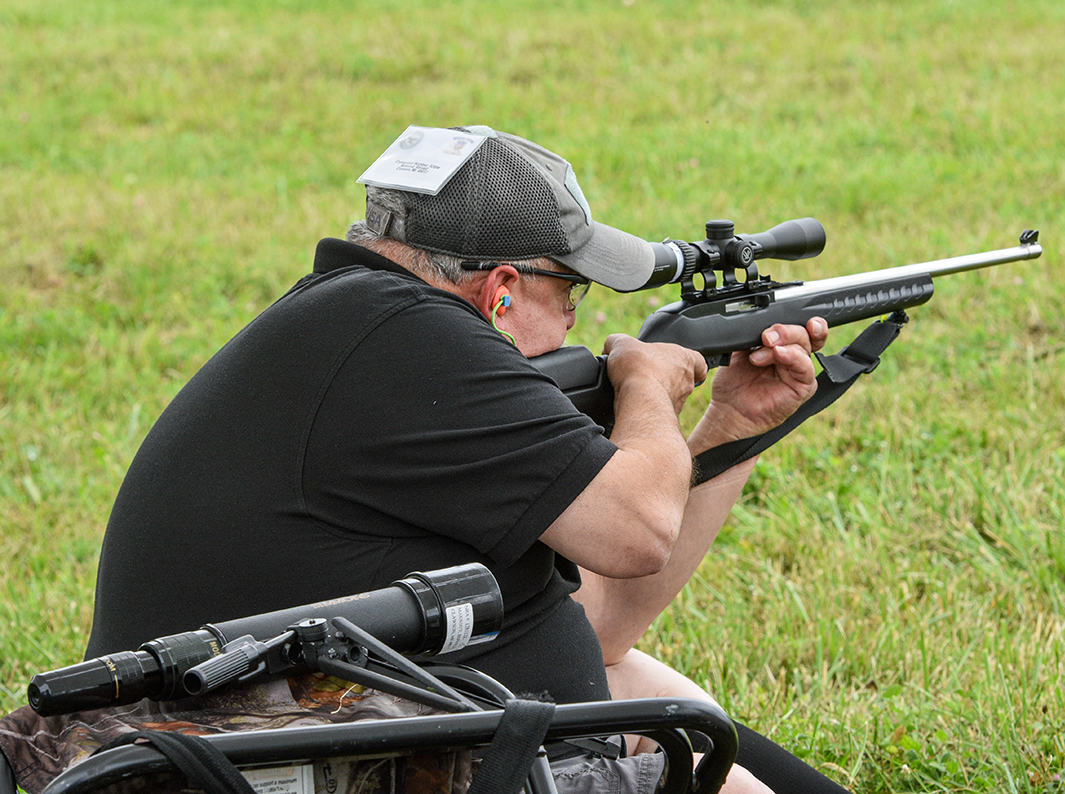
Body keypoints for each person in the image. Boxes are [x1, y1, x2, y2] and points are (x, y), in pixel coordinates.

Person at [86, 126, 848, 794]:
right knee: (723, 776)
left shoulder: (359, 322)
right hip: (268, 758)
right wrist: (648, 386)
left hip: (286, 728)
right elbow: (638, 531)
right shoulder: (414, 343)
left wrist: (732, 426)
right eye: (573, 287)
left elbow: (603, 629)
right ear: (503, 289)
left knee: (645, 686)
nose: (577, 316)